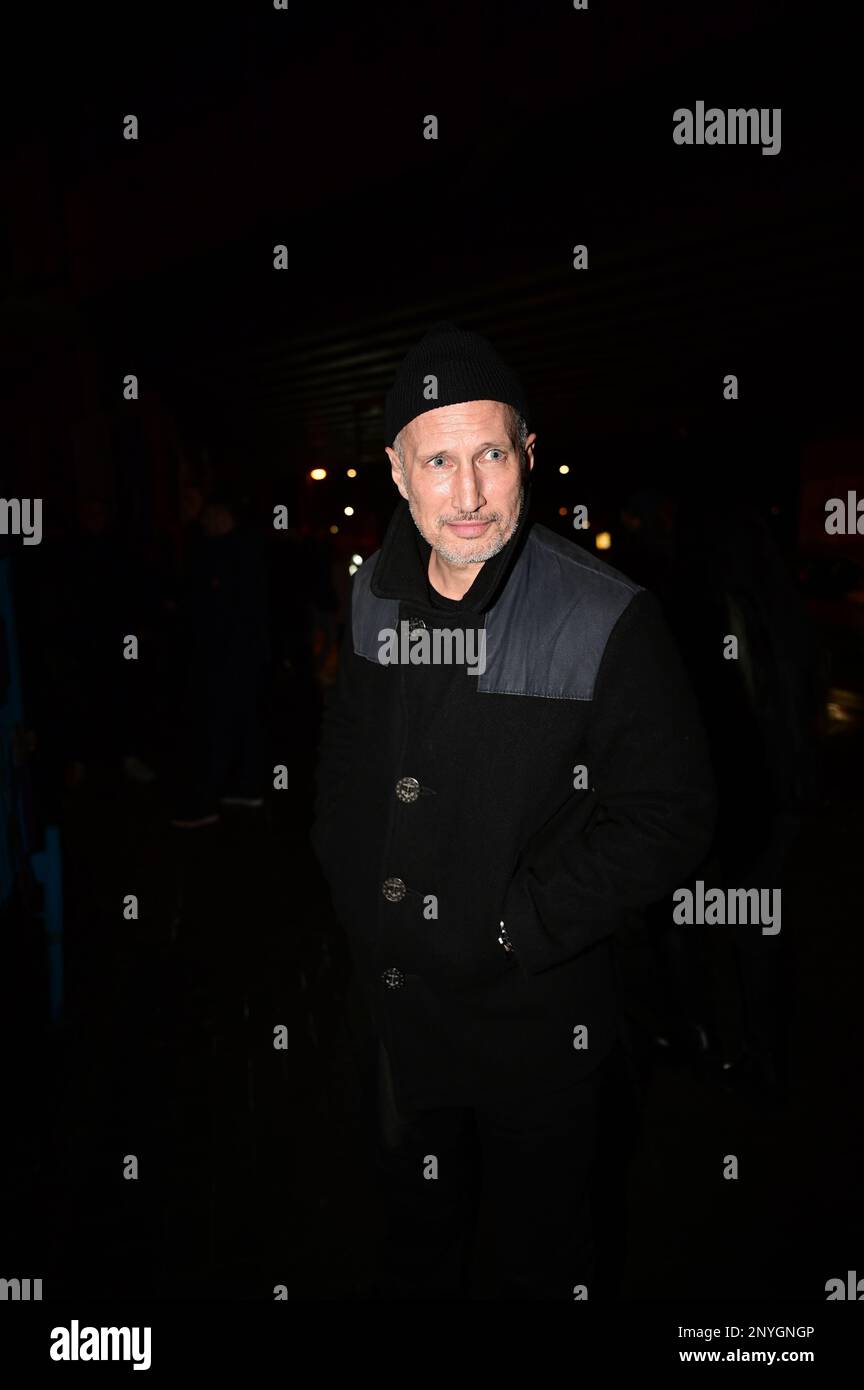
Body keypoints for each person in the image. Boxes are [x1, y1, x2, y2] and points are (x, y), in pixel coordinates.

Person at [309, 322, 717, 1299]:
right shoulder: (372, 593)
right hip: (399, 1014)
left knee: (546, 1255)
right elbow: (347, 765)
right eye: (439, 460)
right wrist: (354, 893)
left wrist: (518, 922)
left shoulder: (608, 616)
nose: (469, 493)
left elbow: (672, 814)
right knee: (414, 1235)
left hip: (537, 1025)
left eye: (491, 453)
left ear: (527, 454)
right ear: (399, 474)